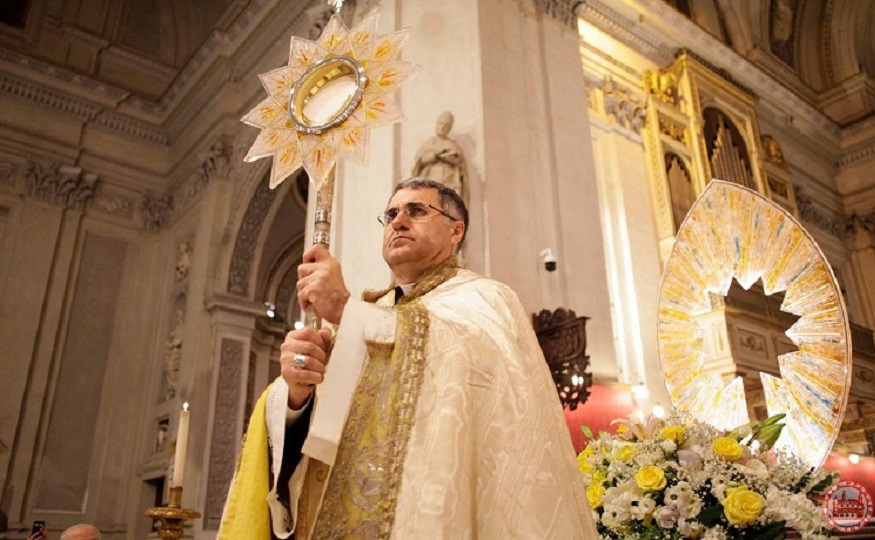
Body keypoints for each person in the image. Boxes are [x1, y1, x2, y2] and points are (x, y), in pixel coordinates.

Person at [219, 178, 596, 539]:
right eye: (391, 214)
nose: (398, 221)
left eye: (416, 210)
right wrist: (298, 393)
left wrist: (344, 309)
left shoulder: (485, 298)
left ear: (456, 231)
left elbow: (464, 363)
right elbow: (318, 431)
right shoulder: (364, 316)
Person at [411, 112, 467, 199]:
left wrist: (452, 159)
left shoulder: (453, 145)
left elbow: (461, 167)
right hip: (431, 184)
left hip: (449, 185)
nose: (443, 127)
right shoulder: (429, 143)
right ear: (436, 124)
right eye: (440, 123)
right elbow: (419, 162)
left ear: (449, 128)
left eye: (446, 125)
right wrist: (435, 155)